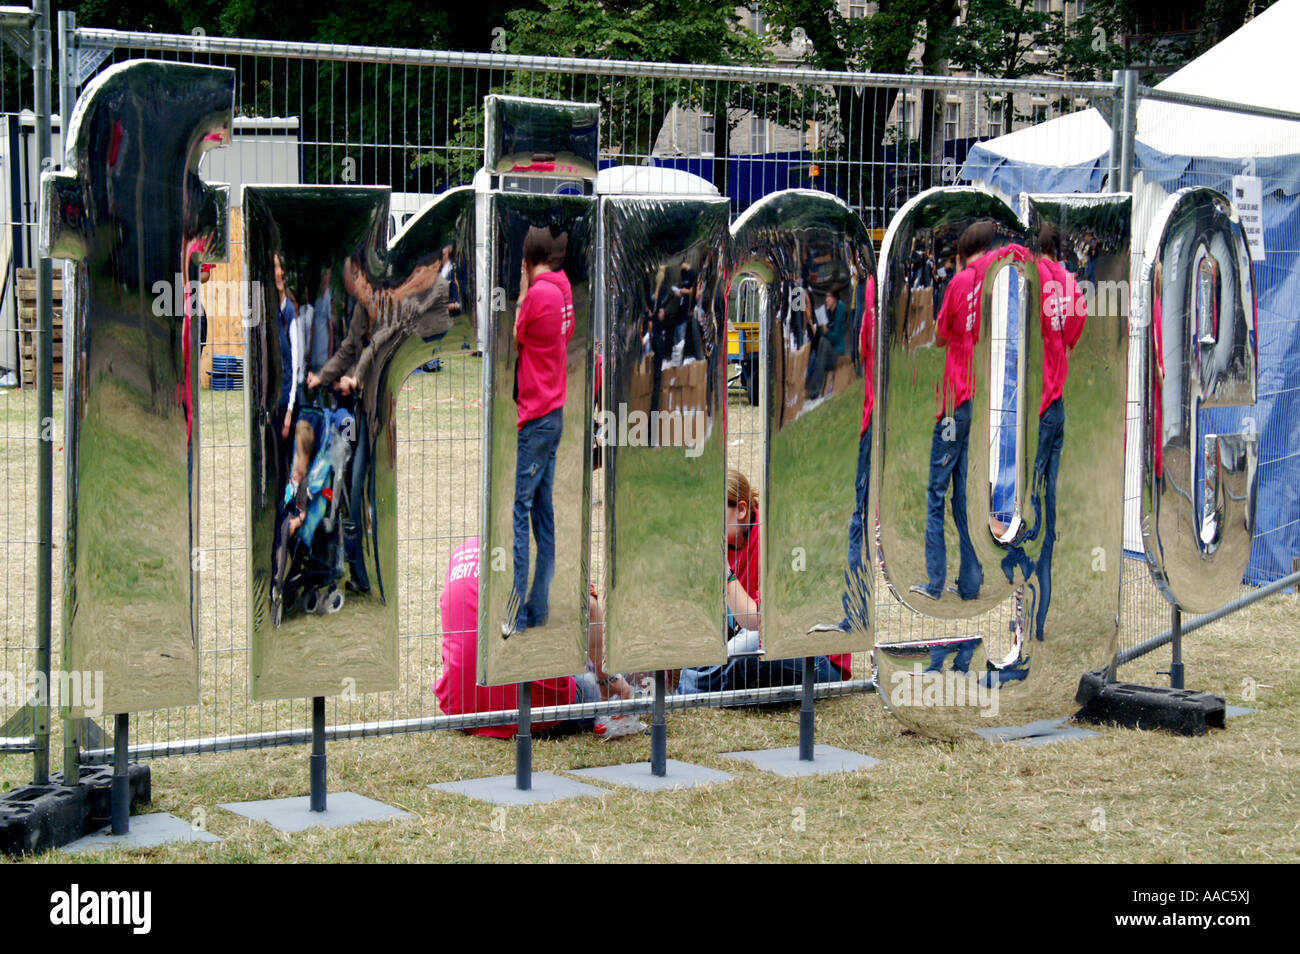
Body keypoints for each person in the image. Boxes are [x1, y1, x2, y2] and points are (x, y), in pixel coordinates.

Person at [435, 537, 638, 739]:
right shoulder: (543, 551)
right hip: (532, 709)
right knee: (594, 674)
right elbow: (591, 610)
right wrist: (606, 680)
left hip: (461, 707)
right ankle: (645, 689)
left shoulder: (462, 553)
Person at [677, 470, 852, 694]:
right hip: (760, 642)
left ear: (741, 510)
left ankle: (690, 689)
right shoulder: (728, 541)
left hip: (817, 658)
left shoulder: (777, 535)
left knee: (748, 649)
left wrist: (724, 572)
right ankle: (699, 680)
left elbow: (756, 623)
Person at [910, 222, 993, 602]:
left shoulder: (960, 282)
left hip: (950, 402)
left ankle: (934, 581)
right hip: (968, 395)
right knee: (961, 496)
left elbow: (941, 335)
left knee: (936, 495)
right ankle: (971, 581)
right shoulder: (986, 281)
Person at [504, 226, 574, 636]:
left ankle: (517, 611)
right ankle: (540, 605)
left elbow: (518, 337)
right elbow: (565, 333)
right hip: (556, 414)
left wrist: (519, 295)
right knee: (543, 515)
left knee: (520, 512)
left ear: (528, 262)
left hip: (534, 420)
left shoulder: (535, 296)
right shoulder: (563, 290)